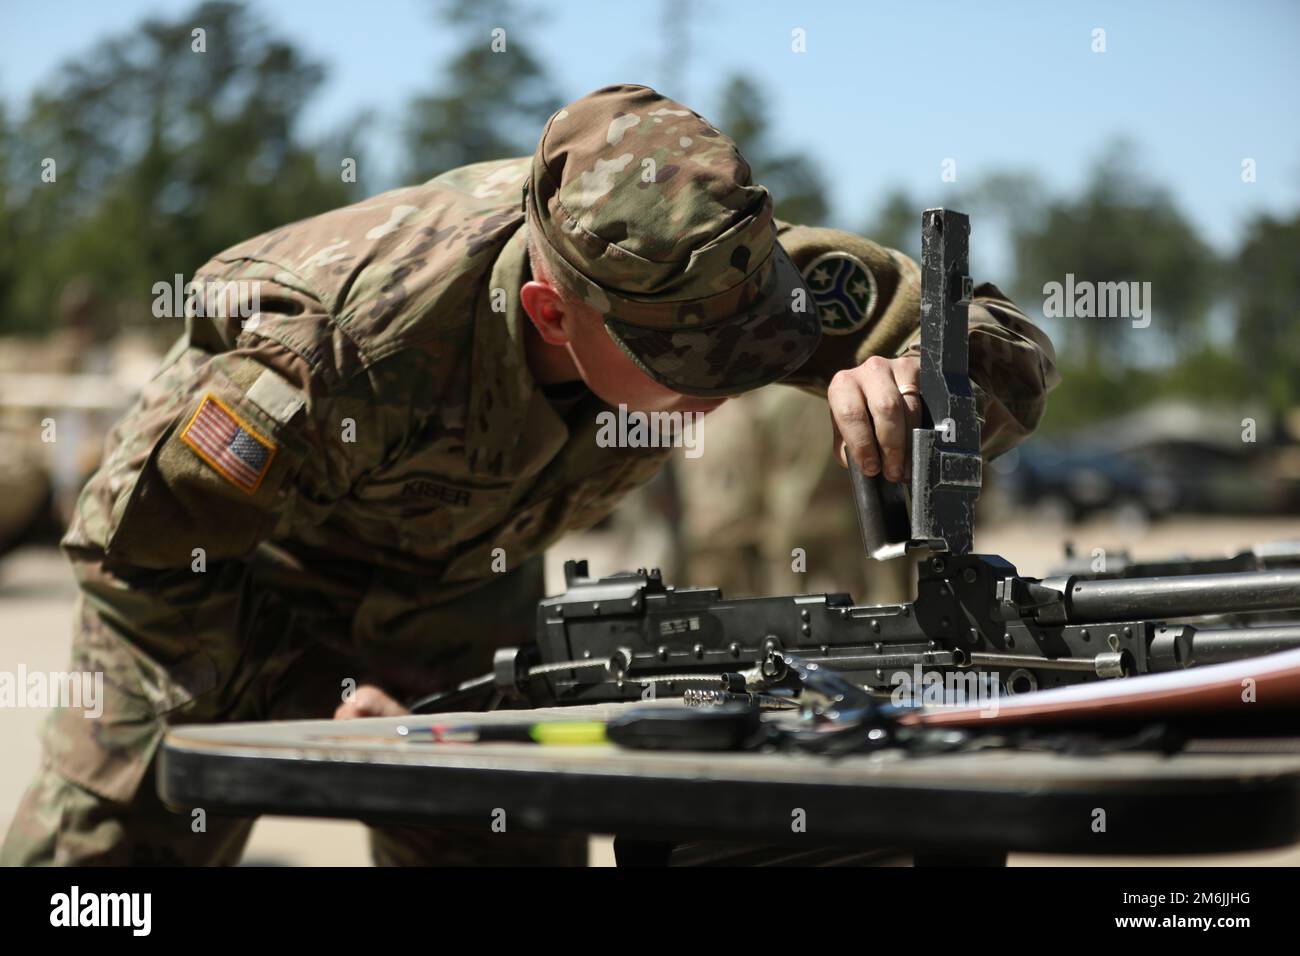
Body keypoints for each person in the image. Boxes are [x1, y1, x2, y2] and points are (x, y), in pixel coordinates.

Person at [2, 84, 1058, 866]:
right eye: (686, 372)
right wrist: (322, 700)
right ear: (553, 315)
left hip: (460, 584)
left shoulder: (716, 263)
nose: (726, 390)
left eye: (747, 352)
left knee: (506, 840)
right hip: (227, 590)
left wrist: (925, 379)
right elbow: (139, 552)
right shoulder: (333, 345)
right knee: (103, 878)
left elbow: (1003, 337)